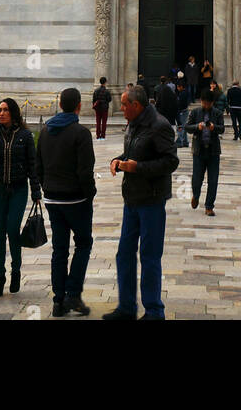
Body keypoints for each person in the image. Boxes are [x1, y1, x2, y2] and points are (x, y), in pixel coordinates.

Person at [104, 84, 179, 320]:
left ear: (136, 105)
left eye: (124, 104)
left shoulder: (159, 126)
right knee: (124, 253)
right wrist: (119, 160)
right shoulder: (134, 123)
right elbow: (133, 153)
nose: (121, 108)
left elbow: (170, 161)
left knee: (149, 255)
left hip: (151, 200)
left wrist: (138, 168)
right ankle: (126, 307)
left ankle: (154, 310)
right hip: (132, 199)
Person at [37, 87, 96, 316]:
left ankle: (58, 300)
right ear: (79, 106)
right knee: (83, 244)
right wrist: (89, 193)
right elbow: (85, 171)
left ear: (60, 104)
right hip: (76, 199)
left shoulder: (45, 131)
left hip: (53, 199)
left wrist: (47, 187)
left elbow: (38, 166)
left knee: (59, 249)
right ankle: (72, 295)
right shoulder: (81, 133)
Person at [0, 98, 39, 297]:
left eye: (5, 110)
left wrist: (36, 191)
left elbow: (32, 164)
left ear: (13, 113)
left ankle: (16, 270)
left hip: (19, 188)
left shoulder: (25, 135)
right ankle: (0, 275)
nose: (1, 113)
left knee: (12, 229)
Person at [186, 88, 225, 216]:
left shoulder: (218, 113)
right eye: (204, 102)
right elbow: (187, 127)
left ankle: (209, 206)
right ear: (201, 101)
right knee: (197, 177)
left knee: (213, 179)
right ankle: (196, 195)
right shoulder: (195, 112)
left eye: (209, 103)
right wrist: (198, 127)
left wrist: (214, 127)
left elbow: (222, 129)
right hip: (199, 149)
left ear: (212, 102)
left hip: (213, 150)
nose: (206, 105)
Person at [174, 76, 190, 147]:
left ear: (181, 87)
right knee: (183, 126)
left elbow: (180, 104)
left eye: (178, 87)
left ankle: (180, 141)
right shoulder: (185, 92)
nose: (177, 88)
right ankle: (185, 141)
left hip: (182, 111)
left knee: (180, 126)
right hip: (185, 110)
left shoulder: (182, 94)